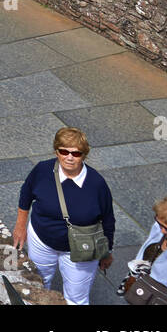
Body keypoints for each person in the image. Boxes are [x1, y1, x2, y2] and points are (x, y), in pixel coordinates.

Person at [14, 128, 115, 305]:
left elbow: (108, 220)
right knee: (38, 285)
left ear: (84, 155)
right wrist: (20, 226)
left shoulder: (97, 184)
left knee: (76, 298)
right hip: (41, 240)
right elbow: (26, 194)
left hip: (80, 249)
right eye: (64, 151)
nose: (69, 157)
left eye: (76, 153)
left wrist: (106, 252)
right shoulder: (42, 170)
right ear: (56, 152)